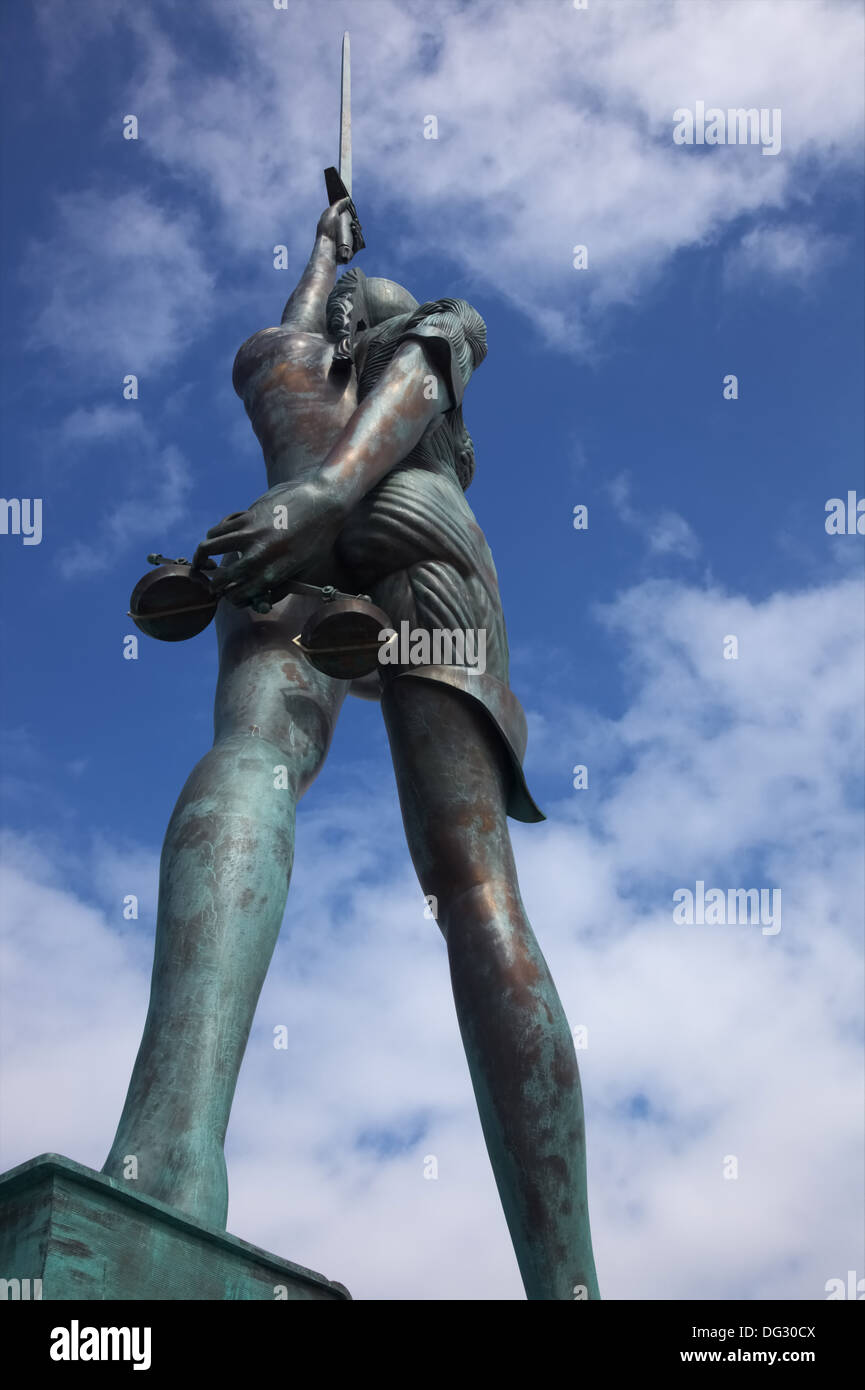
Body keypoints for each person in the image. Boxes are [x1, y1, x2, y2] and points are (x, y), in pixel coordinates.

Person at [103, 199, 600, 1300]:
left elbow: (298, 316)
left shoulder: (281, 369)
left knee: (254, 754)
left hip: (274, 533)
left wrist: (325, 247)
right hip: (410, 523)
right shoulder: (434, 331)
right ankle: (568, 1289)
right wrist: (342, 488)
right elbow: (429, 344)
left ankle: (171, 1162)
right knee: (475, 890)